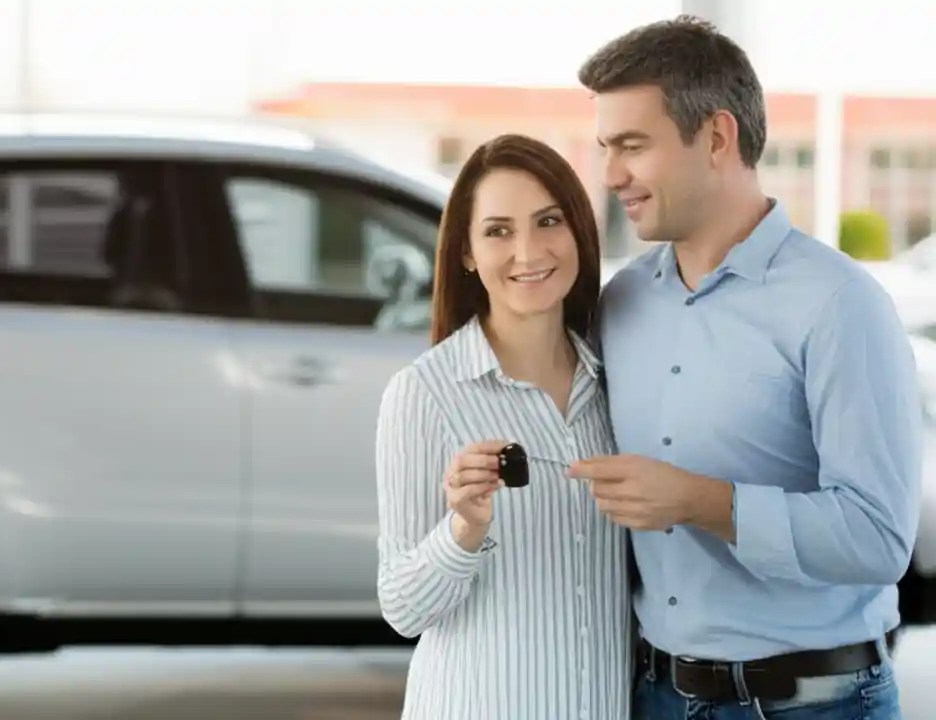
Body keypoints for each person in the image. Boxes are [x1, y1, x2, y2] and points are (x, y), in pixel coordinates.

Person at [571, 15, 922, 719]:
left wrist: (701, 501)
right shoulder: (621, 303)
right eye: (607, 148)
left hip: (812, 705)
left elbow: (880, 539)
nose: (611, 176)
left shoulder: (840, 305)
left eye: (633, 146)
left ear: (717, 138)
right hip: (654, 695)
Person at [374, 133, 632, 720]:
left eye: (548, 221)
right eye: (497, 231)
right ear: (466, 252)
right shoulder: (426, 394)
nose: (528, 251)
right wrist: (464, 529)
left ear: (578, 233)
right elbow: (404, 608)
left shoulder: (616, 384)